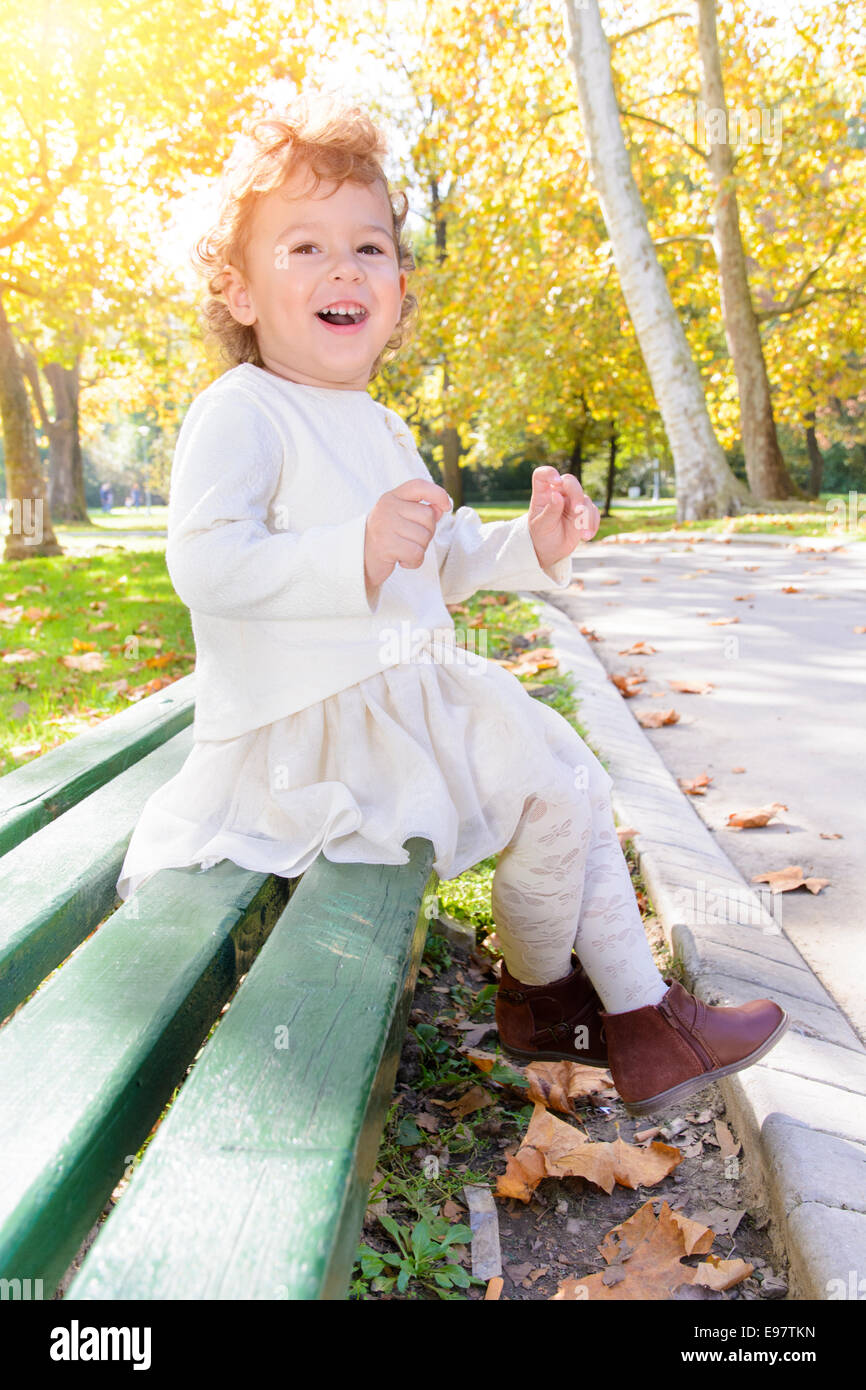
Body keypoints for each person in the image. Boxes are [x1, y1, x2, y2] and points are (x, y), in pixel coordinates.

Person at [115, 94, 788, 1117]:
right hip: (313, 732)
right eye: (304, 247)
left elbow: (446, 556)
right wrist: (350, 553)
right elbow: (205, 562)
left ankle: (602, 1010)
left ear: (396, 288)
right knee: (551, 777)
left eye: (369, 248)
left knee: (567, 777)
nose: (343, 269)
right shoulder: (241, 411)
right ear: (237, 288)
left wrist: (535, 543)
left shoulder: (380, 424)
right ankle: (574, 1007)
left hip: (405, 698)